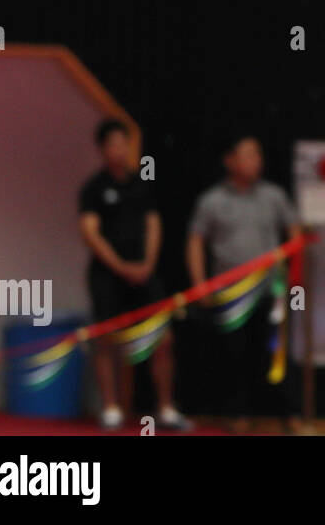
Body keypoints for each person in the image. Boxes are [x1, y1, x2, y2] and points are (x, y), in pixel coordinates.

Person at [78, 119, 189, 432]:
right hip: (108, 275)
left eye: (123, 143)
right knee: (105, 339)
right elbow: (90, 233)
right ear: (102, 150)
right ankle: (111, 407)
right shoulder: (93, 189)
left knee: (163, 339)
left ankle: (166, 408)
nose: (119, 150)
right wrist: (120, 266)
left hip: (145, 273)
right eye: (112, 144)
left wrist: (147, 264)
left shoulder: (142, 184)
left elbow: (154, 224)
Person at [187, 135, 303, 433]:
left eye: (257, 154)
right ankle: (237, 414)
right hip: (231, 295)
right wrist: (200, 284)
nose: (254, 160)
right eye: (247, 154)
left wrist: (293, 275)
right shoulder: (212, 200)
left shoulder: (274, 195)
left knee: (276, 354)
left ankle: (290, 416)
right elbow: (196, 240)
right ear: (230, 160)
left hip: (269, 291)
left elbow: (294, 233)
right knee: (233, 356)